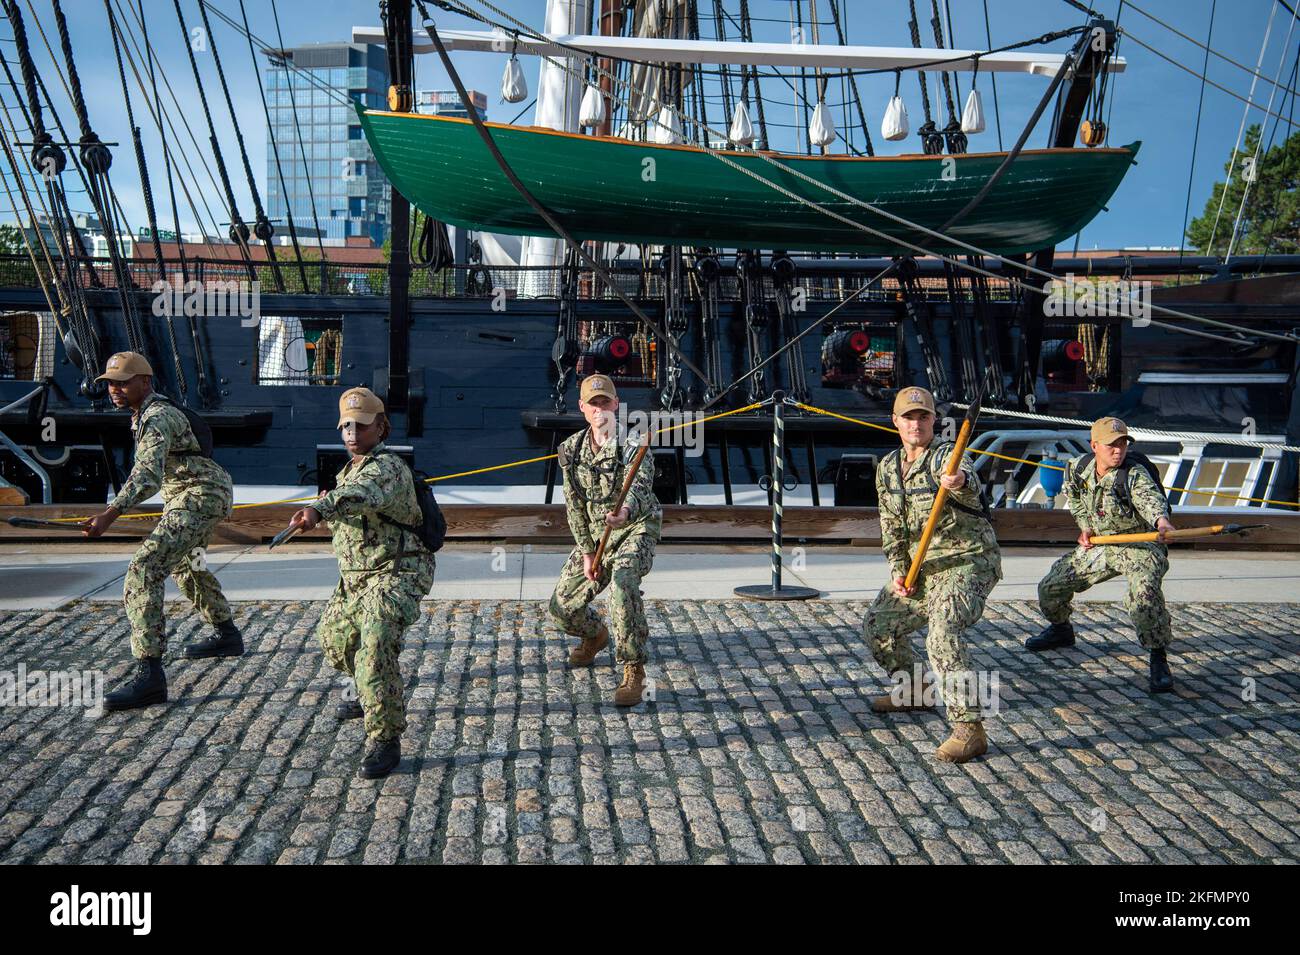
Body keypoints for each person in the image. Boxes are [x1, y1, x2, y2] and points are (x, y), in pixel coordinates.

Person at [287, 387, 435, 779]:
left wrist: (320, 508)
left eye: (362, 425)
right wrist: (327, 506)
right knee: (334, 642)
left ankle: (385, 738)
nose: (352, 433)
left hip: (396, 573)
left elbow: (361, 495)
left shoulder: (386, 467)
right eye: (346, 426)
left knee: (374, 644)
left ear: (381, 427)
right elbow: (351, 507)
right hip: (355, 578)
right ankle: (370, 691)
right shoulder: (347, 470)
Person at [81, 351, 242, 712]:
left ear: (145, 382)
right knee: (189, 567)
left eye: (123, 382)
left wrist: (111, 513)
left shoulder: (156, 417)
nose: (114, 390)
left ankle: (149, 676)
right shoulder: (143, 414)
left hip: (198, 498)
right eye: (109, 384)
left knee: (145, 568)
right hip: (199, 496)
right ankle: (227, 635)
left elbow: (146, 475)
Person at [863, 386, 1002, 763]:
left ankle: (970, 728)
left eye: (923, 416)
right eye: (909, 417)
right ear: (896, 421)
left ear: (933, 421)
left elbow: (971, 487)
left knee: (942, 633)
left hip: (967, 563)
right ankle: (915, 690)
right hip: (920, 568)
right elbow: (890, 527)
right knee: (878, 626)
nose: (916, 423)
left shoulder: (946, 457)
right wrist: (898, 571)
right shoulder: (888, 468)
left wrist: (959, 482)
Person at [1030, 416, 1176, 693]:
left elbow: (1150, 500)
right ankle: (1061, 630)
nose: (1118, 450)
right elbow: (1074, 499)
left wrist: (1161, 522)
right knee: (1050, 588)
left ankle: (1158, 656)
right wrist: (1085, 527)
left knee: (1143, 595)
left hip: (1140, 545)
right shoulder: (1077, 468)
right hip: (1101, 544)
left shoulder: (1133, 474)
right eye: (1111, 444)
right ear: (1094, 445)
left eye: (1122, 443)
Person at [549, 374, 661, 707]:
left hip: (633, 528)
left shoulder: (634, 443)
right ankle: (595, 635)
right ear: (583, 408)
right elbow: (574, 504)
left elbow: (640, 484)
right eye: (593, 404)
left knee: (623, 583)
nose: (600, 410)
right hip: (597, 538)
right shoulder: (569, 450)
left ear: (616, 404)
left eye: (605, 403)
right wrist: (586, 552)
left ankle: (633, 669)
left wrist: (624, 510)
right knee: (561, 608)